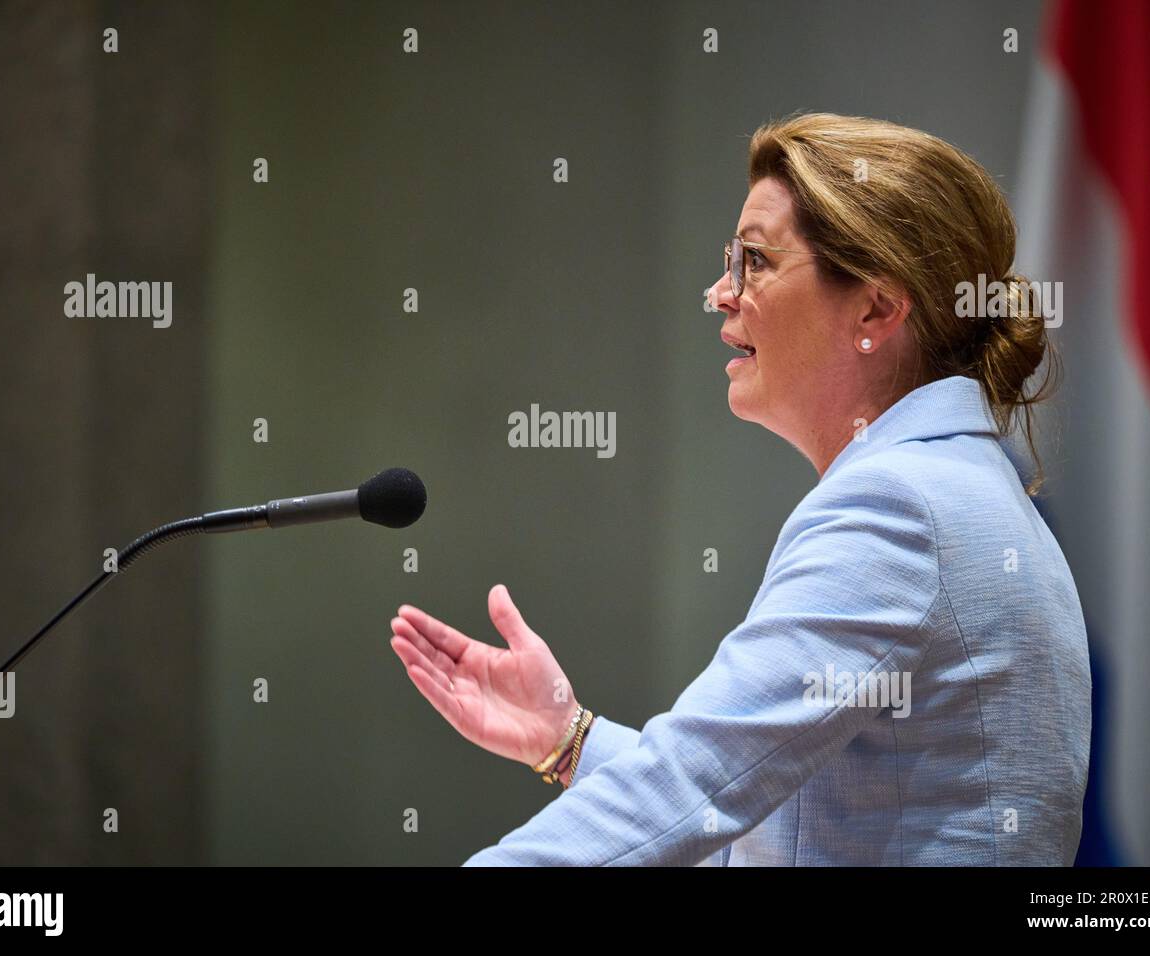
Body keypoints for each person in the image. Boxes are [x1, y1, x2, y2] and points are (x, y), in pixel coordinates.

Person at [388, 112, 1091, 866]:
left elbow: (692, 787)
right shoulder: (956, 489)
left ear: (876, 309)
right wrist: (568, 741)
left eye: (753, 260)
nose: (718, 291)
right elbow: (767, 833)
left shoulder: (900, 508)